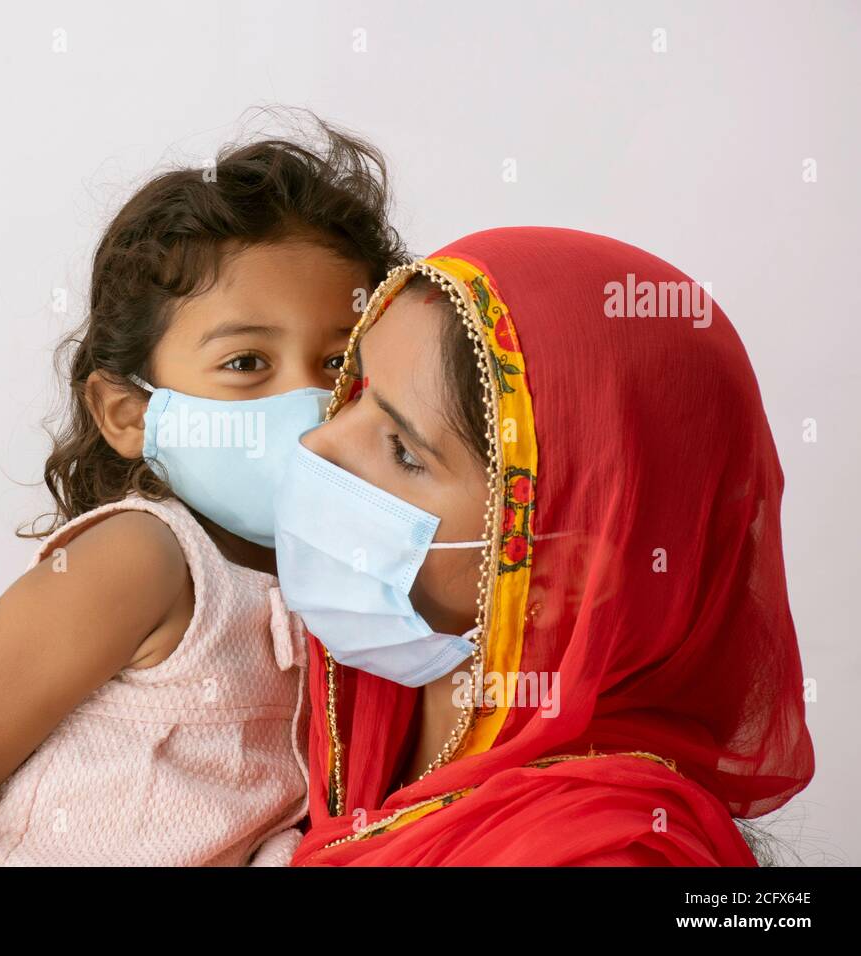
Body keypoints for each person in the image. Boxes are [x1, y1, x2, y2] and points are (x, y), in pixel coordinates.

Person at [0, 122, 407, 865]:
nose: (308, 402)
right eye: (247, 361)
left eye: (340, 361)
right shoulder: (141, 557)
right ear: (130, 414)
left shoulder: (355, 587)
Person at [272, 226, 814, 865]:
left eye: (403, 451)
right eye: (356, 388)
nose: (318, 442)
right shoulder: (353, 723)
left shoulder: (600, 856)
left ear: (562, 577)